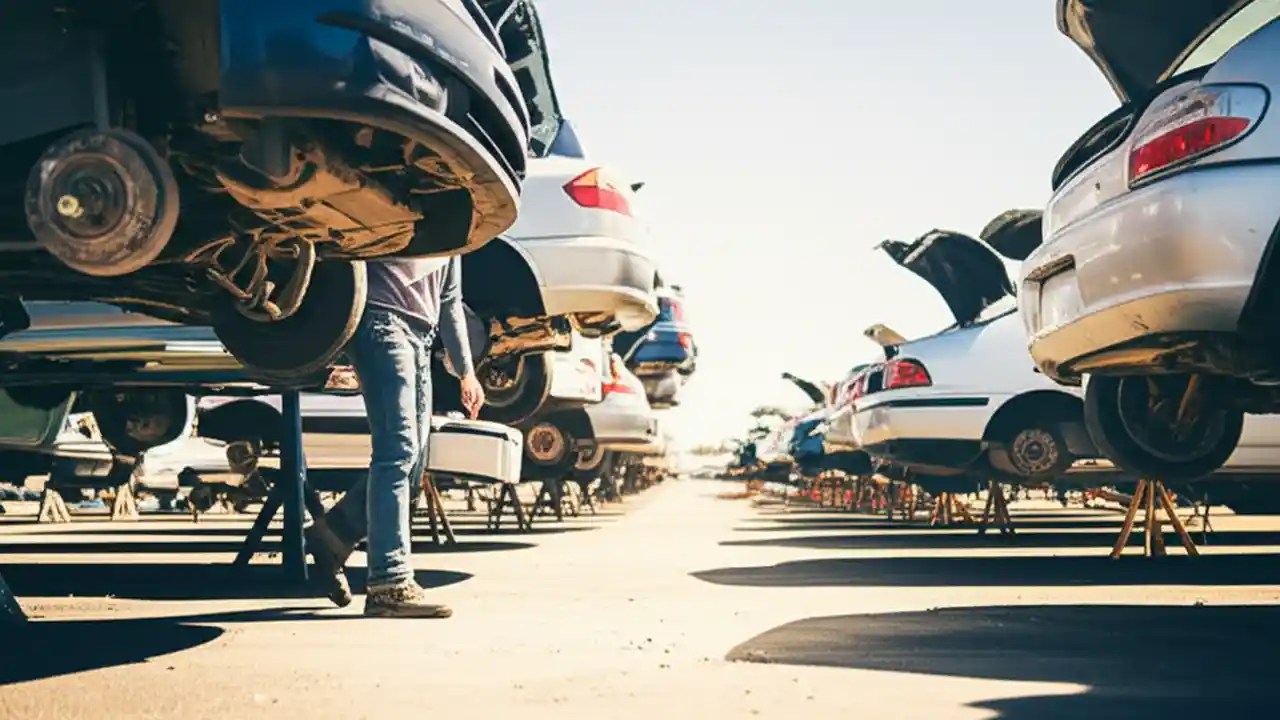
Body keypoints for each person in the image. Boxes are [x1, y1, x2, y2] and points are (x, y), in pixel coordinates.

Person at [305, 255, 484, 617]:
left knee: (414, 463)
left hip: (421, 335)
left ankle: (332, 535)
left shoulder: (458, 231)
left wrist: (466, 371)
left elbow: (450, 300)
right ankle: (389, 583)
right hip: (380, 321)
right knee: (398, 450)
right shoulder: (411, 200)